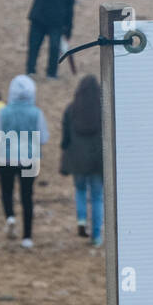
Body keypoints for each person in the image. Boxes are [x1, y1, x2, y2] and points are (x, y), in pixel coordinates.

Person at [0, 75, 48, 249]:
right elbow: (43, 138)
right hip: (29, 158)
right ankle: (27, 237)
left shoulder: (4, 112)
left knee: (7, 191)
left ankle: (10, 217)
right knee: (27, 196)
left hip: (6, 157)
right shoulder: (36, 113)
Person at [59, 75, 105, 246]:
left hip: (77, 159)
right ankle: (96, 236)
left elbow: (65, 137)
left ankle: (81, 220)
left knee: (79, 190)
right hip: (97, 160)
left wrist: (64, 151)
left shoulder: (71, 109)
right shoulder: (103, 109)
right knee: (97, 197)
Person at [26, 0, 75, 79]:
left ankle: (30, 70)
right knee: (54, 48)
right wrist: (68, 33)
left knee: (34, 46)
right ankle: (51, 74)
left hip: (38, 18)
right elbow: (70, 14)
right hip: (56, 23)